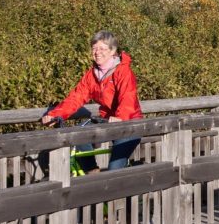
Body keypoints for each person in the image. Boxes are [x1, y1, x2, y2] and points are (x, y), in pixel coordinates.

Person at [40, 30, 143, 172]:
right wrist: (55, 114)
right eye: (94, 48)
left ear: (113, 51)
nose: (97, 52)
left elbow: (128, 98)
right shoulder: (92, 75)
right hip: (108, 122)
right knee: (79, 133)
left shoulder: (123, 71)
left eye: (102, 48)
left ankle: (115, 191)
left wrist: (120, 117)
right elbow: (75, 98)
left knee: (114, 169)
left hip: (130, 124)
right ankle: (92, 172)